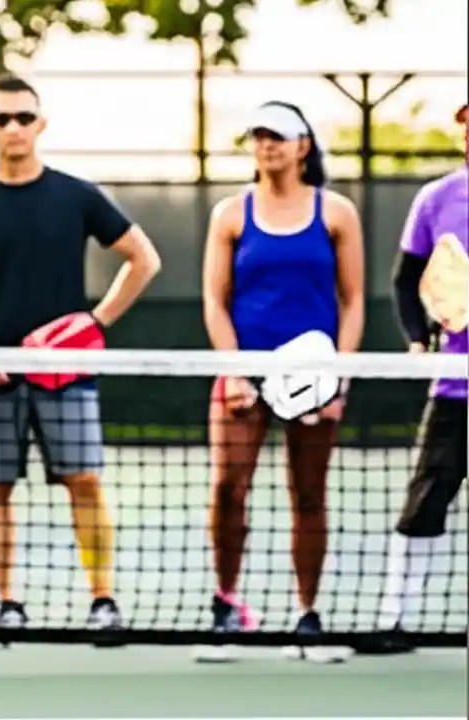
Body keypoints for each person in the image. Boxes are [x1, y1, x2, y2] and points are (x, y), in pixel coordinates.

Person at [0, 75, 162, 643]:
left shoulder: (77, 195)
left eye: (23, 118)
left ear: (41, 124)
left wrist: (94, 324)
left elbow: (143, 259)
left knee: (84, 481)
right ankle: (8, 603)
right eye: (1, 119)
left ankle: (102, 599)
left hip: (67, 375)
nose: (13, 128)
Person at [198, 101, 364, 663]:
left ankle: (308, 620)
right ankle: (227, 610)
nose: (268, 145)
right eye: (260, 136)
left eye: (280, 136)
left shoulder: (336, 213)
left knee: (310, 495)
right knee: (227, 491)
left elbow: (354, 300)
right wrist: (235, 372)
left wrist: (335, 380)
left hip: (313, 375)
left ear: (303, 147)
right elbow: (215, 304)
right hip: (244, 376)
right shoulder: (231, 215)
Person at [354, 102, 468, 655]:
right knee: (423, 503)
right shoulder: (436, 199)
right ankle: (394, 618)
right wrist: (419, 342)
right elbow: (405, 282)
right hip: (454, 387)